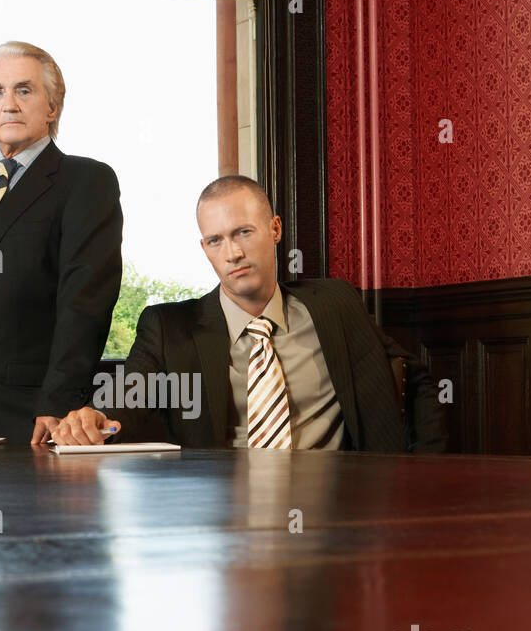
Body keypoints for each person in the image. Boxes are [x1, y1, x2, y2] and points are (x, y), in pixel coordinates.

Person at [50, 176, 447, 452]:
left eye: (243, 232)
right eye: (215, 240)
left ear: (274, 229)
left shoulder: (333, 303)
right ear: (204, 247)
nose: (232, 253)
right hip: (225, 517)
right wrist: (97, 418)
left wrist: (422, 473)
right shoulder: (169, 327)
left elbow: (416, 379)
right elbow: (131, 398)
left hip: (336, 508)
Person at [0, 41, 123, 444]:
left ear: (52, 107)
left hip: (36, 416)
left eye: (25, 90)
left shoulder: (85, 181)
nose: (10, 104)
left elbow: (85, 301)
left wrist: (58, 402)